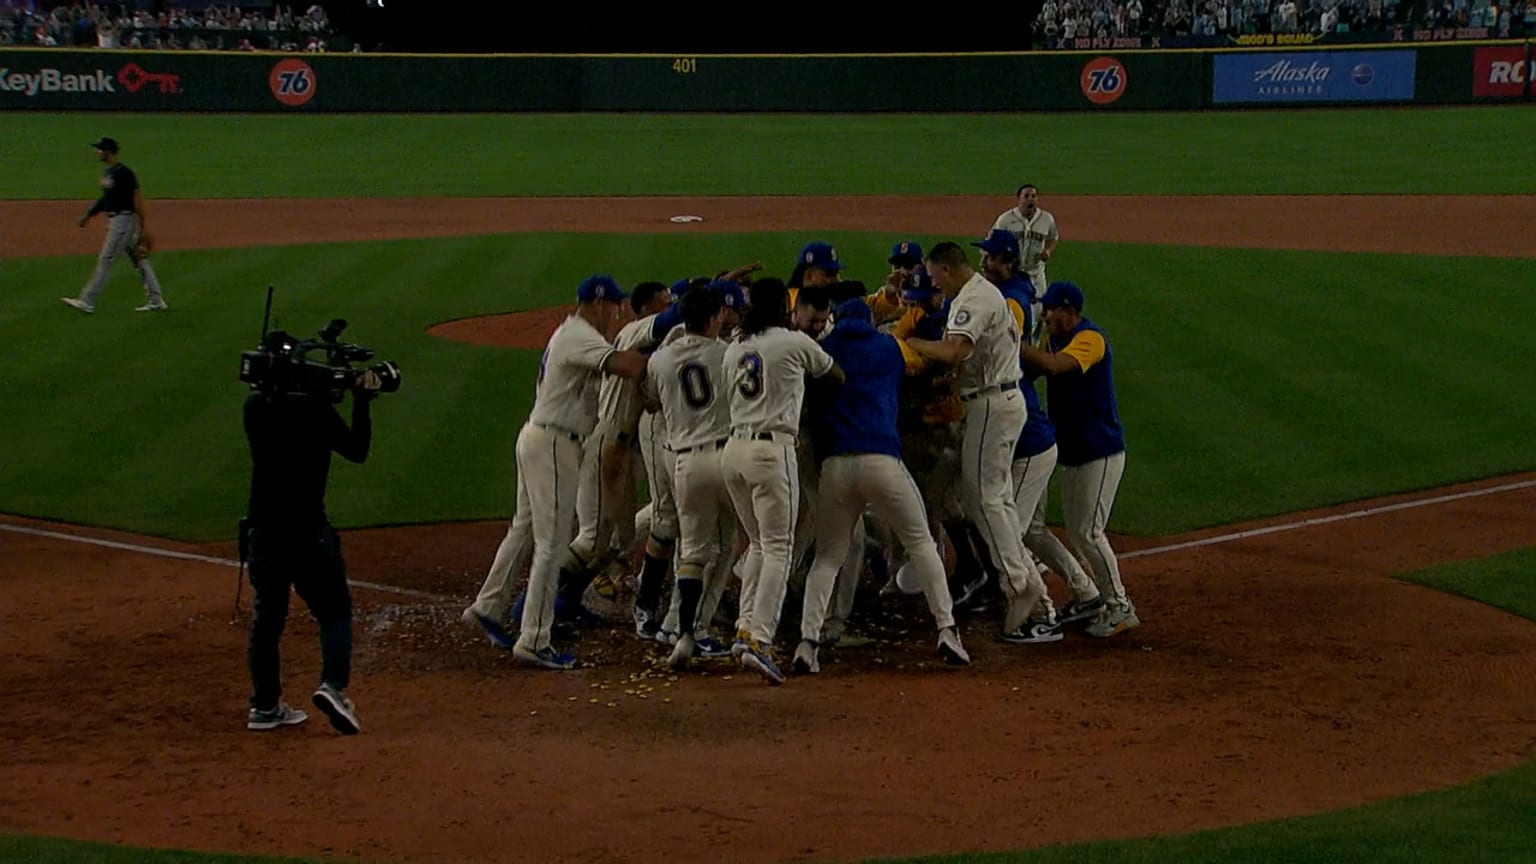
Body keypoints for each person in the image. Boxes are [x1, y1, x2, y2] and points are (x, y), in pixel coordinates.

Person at [462, 276, 649, 668]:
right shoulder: (579, 335)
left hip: (538, 436)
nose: (616, 314)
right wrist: (666, 355)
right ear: (599, 303)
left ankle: (487, 606)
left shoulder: (570, 334)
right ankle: (534, 637)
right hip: (553, 444)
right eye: (615, 306)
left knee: (524, 528)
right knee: (551, 543)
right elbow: (625, 365)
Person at [796, 298, 969, 674]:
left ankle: (808, 643)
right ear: (869, 321)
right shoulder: (888, 347)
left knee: (827, 558)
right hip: (882, 462)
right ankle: (947, 629)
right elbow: (922, 368)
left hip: (835, 467)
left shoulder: (822, 350)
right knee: (921, 542)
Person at [906, 242, 1058, 644]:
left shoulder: (972, 298)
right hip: (999, 401)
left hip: (991, 402)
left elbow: (955, 351)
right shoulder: (986, 293)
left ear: (948, 270)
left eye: (935, 274)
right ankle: (1031, 590)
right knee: (992, 499)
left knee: (985, 498)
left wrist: (911, 345)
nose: (933, 282)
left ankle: (1018, 584)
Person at [241, 337, 383, 735]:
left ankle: (264, 706)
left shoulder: (253, 410)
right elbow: (357, 449)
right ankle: (334, 687)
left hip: (264, 534)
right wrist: (361, 400)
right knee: (334, 612)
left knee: (267, 620)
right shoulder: (316, 412)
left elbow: (277, 400)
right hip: (308, 533)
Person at [975, 230, 1103, 625]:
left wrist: (1009, 342)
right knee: (1027, 528)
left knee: (1010, 524)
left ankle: (1042, 611)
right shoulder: (1007, 297)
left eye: (992, 257)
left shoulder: (1011, 301)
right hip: (1030, 436)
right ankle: (1087, 592)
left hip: (1032, 441)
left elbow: (1046, 364)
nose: (984, 262)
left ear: (1008, 263)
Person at [721, 277, 844, 684]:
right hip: (772, 451)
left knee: (756, 543)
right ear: (783, 308)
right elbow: (836, 374)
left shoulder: (735, 347)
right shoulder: (793, 342)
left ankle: (743, 628)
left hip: (734, 452)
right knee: (778, 548)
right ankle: (761, 639)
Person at [1022, 281, 1139, 638]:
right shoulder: (1054, 337)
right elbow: (1036, 370)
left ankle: (1120, 607)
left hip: (1100, 451)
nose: (1045, 315)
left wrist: (1016, 343)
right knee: (1076, 531)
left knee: (1089, 532)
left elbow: (1056, 367)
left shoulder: (1091, 339)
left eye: (1051, 310)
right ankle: (1095, 598)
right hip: (1073, 449)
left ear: (1069, 310)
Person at [641, 284, 741, 668]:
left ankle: (680, 633)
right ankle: (697, 629)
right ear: (715, 317)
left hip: (682, 462)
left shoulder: (660, 360)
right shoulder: (727, 354)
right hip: (722, 456)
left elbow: (650, 402)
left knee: (693, 551)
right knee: (727, 544)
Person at [62, 137, 168, 314]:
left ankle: (87, 300)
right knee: (139, 260)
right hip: (117, 220)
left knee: (106, 259)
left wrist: (142, 225)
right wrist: (89, 215)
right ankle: (156, 299)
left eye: (100, 149)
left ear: (108, 151)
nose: (98, 152)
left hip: (124, 220)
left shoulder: (124, 173)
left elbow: (136, 197)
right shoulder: (109, 173)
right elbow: (106, 200)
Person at [991, 183, 1059, 324]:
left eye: (1033, 196)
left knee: (1039, 312)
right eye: (1026, 196)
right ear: (1019, 199)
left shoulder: (1047, 219)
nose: (1030, 199)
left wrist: (1048, 251)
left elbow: (1054, 238)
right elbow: (992, 240)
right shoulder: (1005, 220)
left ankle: (1031, 341)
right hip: (1013, 275)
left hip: (1036, 274)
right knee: (1010, 312)